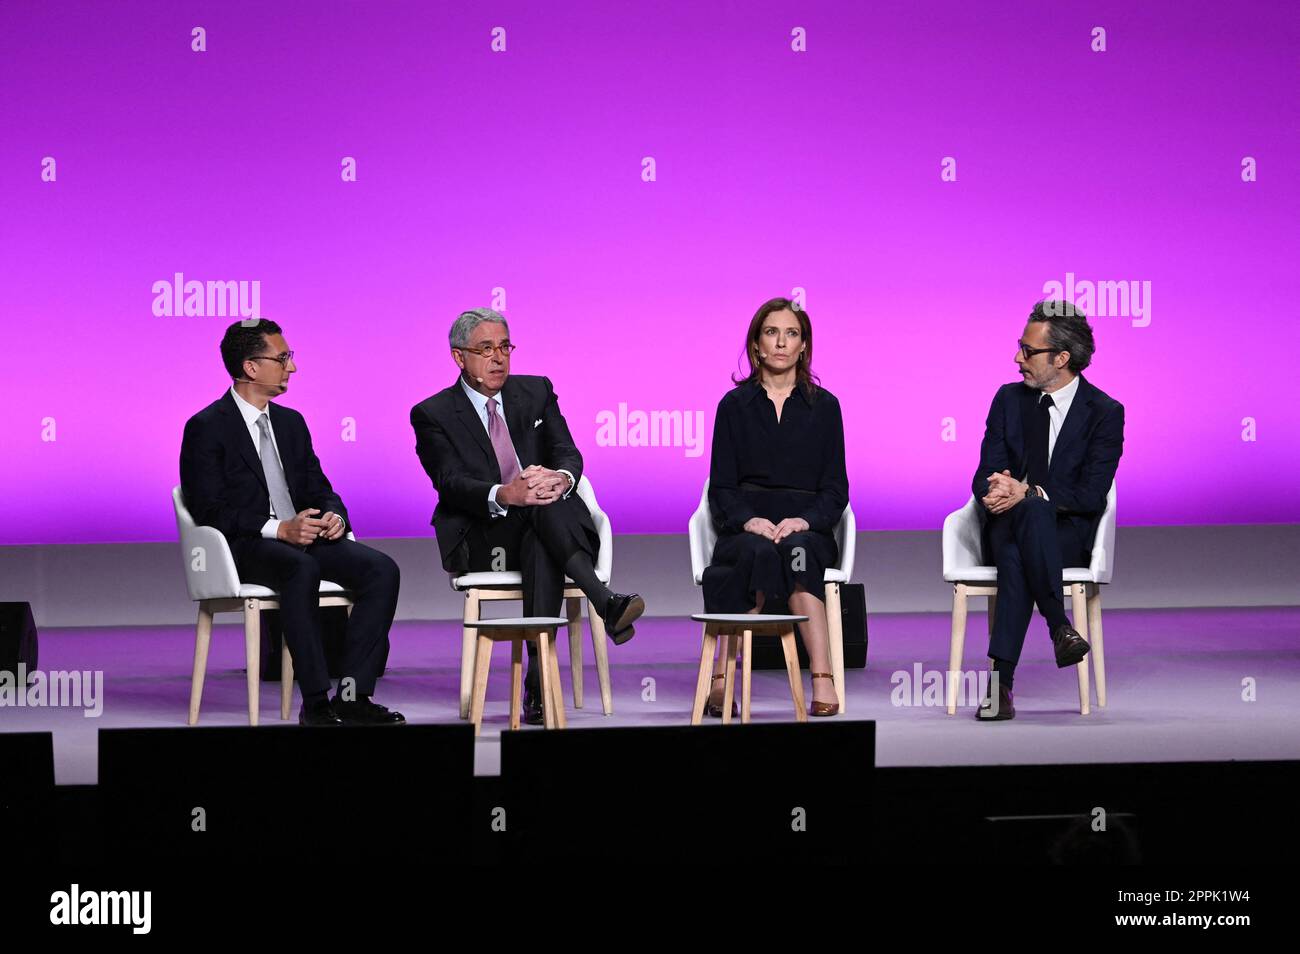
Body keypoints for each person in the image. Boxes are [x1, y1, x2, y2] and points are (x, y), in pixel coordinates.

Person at [411, 308, 644, 726]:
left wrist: (560, 478)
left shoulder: (536, 391)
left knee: (542, 526)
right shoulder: (432, 414)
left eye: (505, 347)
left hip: (547, 527)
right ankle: (601, 604)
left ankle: (538, 682)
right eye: (485, 349)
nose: (499, 358)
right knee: (537, 513)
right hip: (487, 535)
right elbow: (449, 482)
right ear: (459, 357)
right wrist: (507, 493)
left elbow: (567, 452)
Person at [180, 319, 404, 726]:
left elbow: (319, 487)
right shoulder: (206, 427)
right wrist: (278, 529)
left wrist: (334, 515)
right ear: (250, 367)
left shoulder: (291, 423)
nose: (292, 368)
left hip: (303, 537)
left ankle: (353, 696)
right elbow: (208, 509)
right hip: (245, 545)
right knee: (301, 567)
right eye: (282, 358)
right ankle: (316, 701)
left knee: (380, 569)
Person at [971, 300, 1124, 720]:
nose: (1017, 358)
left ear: (1062, 358)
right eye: (1019, 347)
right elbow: (984, 474)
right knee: (1025, 522)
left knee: (1026, 534)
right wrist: (1001, 491)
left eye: (1028, 350)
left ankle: (1000, 684)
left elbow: (1092, 494)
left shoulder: (1105, 413)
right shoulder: (1008, 399)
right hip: (1005, 525)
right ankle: (1059, 625)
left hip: (1065, 536)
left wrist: (1029, 492)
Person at [704, 297, 849, 717]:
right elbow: (722, 489)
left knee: (798, 552)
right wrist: (749, 522)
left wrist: (805, 520)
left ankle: (821, 675)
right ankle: (722, 680)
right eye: (772, 332)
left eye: (792, 334)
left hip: (806, 528)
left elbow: (836, 490)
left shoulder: (825, 407)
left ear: (804, 345)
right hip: (747, 529)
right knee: (756, 552)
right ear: (756, 346)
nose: (781, 343)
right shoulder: (733, 407)